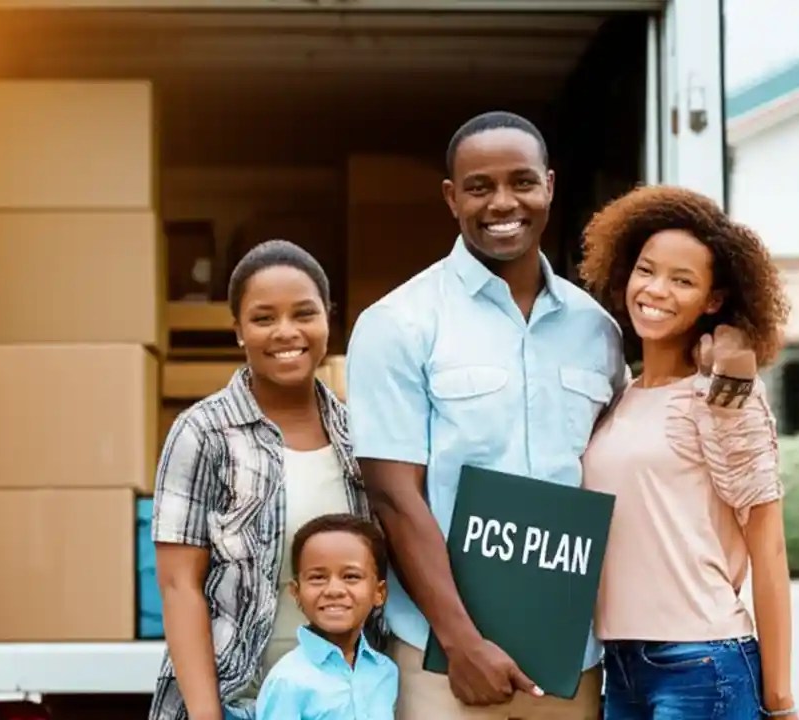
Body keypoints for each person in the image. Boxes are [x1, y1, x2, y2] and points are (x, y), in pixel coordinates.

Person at [345, 110, 628, 719]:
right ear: (452, 198)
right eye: (480, 187)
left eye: (522, 182)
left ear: (549, 185)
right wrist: (461, 642)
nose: (504, 202)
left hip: (568, 660)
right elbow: (396, 499)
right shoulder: (399, 324)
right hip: (441, 661)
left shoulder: (597, 332)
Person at [576, 185, 797, 720]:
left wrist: (780, 700)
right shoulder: (620, 396)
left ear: (713, 299)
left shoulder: (725, 395)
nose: (656, 290)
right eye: (646, 270)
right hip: (622, 665)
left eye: (683, 280)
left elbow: (768, 549)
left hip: (703, 662)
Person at [148, 240, 374, 720]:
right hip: (238, 702)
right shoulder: (202, 432)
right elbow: (177, 587)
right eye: (264, 318)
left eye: (303, 313)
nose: (286, 332)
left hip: (339, 702)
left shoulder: (360, 435)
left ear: (328, 319)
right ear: (238, 330)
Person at [257, 513, 399, 719]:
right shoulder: (288, 680)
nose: (334, 590)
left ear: (379, 593)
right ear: (296, 592)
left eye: (351, 576)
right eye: (317, 578)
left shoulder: (386, 672)